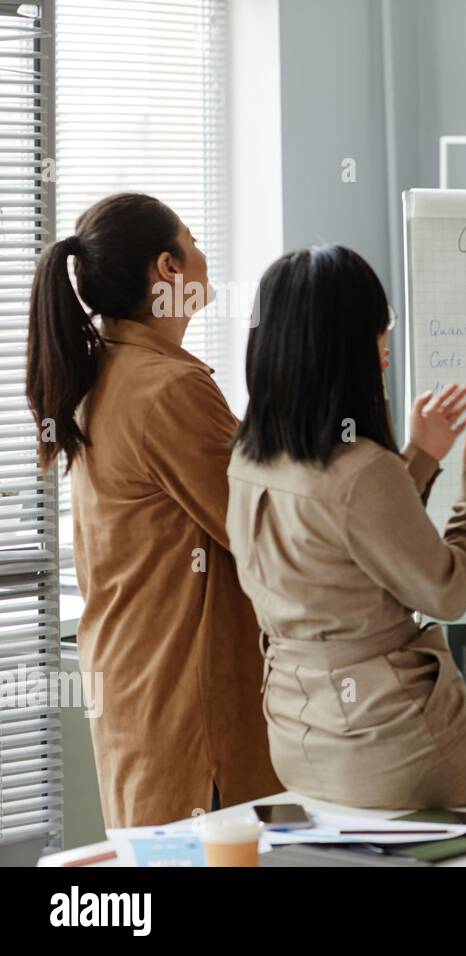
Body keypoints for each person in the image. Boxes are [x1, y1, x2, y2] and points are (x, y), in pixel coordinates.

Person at [227, 244, 466, 813]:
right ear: (344, 347)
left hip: (296, 728)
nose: (386, 351)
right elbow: (445, 592)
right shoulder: (360, 470)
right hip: (389, 734)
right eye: (380, 333)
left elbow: (354, 540)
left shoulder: (250, 460)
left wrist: (421, 457)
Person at [24, 193, 280, 827]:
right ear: (168, 268)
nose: (203, 255)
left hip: (143, 696)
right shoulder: (169, 388)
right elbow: (261, 528)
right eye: (192, 242)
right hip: (191, 711)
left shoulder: (110, 371)